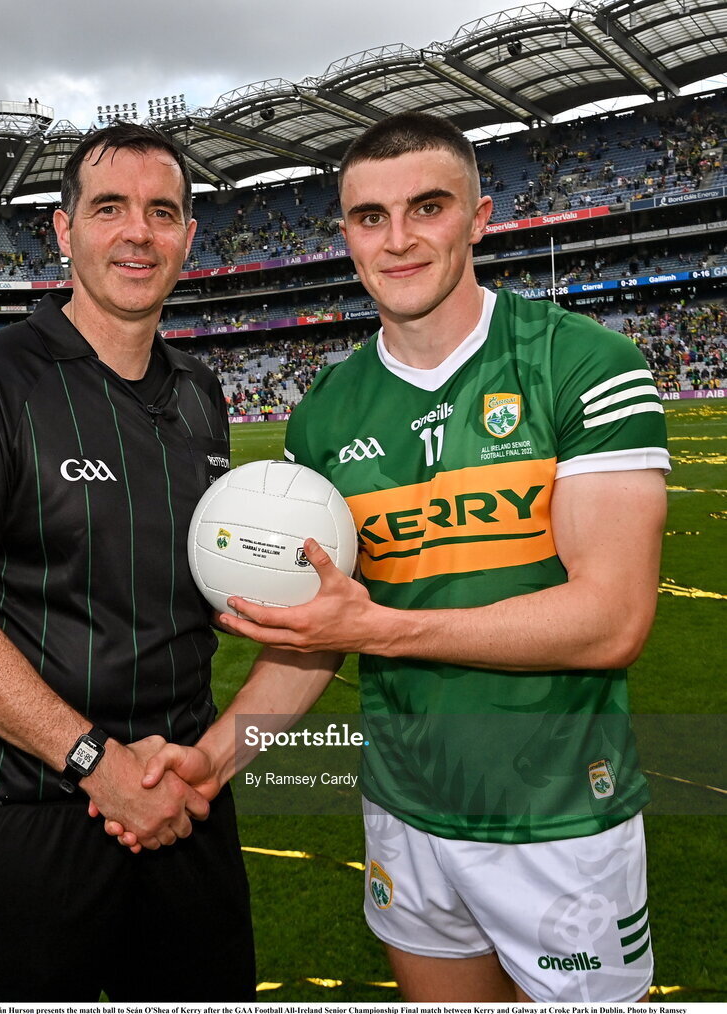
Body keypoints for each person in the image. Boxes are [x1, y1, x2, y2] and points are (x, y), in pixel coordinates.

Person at [109, 112, 669, 1004]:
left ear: (480, 216)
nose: (399, 239)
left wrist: (381, 625)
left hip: (561, 819)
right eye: (371, 217)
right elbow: (314, 639)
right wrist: (210, 762)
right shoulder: (326, 413)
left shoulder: (585, 364)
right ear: (346, 234)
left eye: (429, 207)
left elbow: (610, 620)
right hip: (405, 815)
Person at [0, 123, 254, 1002]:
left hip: (184, 806)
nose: (139, 233)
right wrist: (100, 765)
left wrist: (193, 765)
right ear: (63, 230)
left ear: (188, 238)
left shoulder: (202, 393)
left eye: (162, 212)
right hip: (32, 818)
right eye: (110, 209)